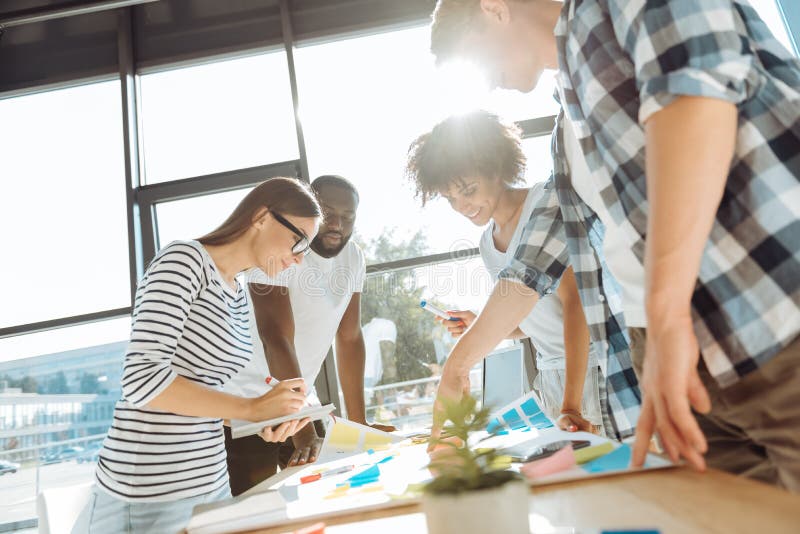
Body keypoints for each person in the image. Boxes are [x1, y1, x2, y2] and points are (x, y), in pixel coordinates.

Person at [429, 0, 800, 490]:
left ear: (494, 7)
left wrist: (666, 318)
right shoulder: (566, 130)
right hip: (682, 375)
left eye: (471, 61)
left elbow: (695, 101)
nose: (484, 84)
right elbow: (531, 269)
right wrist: (458, 366)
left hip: (774, 328)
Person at [80, 177, 322, 533]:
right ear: (260, 217)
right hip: (147, 494)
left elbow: (201, 398)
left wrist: (258, 422)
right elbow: (141, 379)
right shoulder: (183, 260)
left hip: (209, 485)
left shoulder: (237, 292)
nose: (299, 259)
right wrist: (250, 408)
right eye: (298, 240)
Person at [406, 110, 603, 434]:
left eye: (468, 190)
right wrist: (483, 326)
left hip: (588, 369)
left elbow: (575, 307)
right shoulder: (488, 243)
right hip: (549, 375)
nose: (461, 207)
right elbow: (532, 322)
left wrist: (572, 403)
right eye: (450, 199)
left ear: (496, 168)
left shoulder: (544, 206)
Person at [223, 175, 396, 496]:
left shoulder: (353, 257)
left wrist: (359, 424)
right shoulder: (278, 251)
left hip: (300, 397)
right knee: (256, 508)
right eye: (328, 214)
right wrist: (300, 430)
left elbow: (349, 337)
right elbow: (276, 337)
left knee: (326, 490)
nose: (338, 225)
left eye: (349, 218)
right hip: (246, 404)